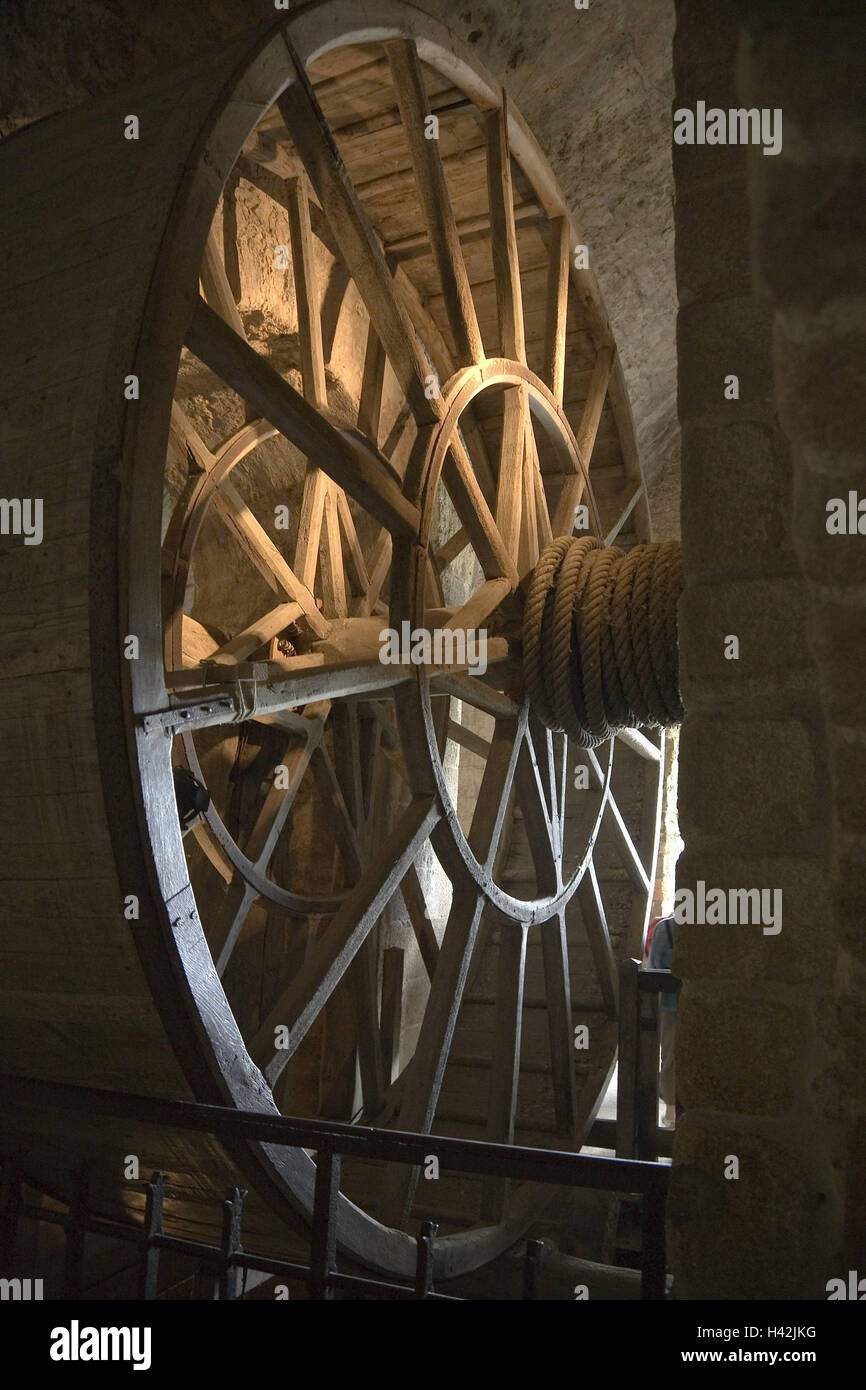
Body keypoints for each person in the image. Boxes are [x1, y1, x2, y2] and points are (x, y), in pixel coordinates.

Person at [646, 914, 678, 1128]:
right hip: (704, 1003)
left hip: (671, 1005)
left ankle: (671, 1114)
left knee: (670, 1056)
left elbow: (653, 970)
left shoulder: (665, 928)